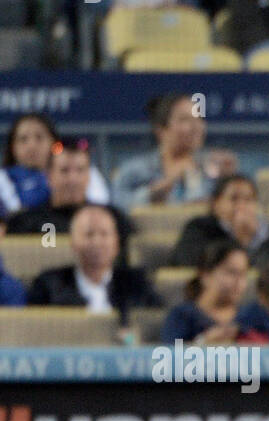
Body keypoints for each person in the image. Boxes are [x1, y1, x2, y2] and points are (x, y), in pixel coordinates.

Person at [26, 206, 162, 321]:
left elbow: (153, 320)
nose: (97, 243)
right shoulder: (49, 285)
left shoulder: (136, 283)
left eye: (104, 234)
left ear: (116, 243)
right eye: (89, 234)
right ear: (73, 242)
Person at [112, 93, 239, 209]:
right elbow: (117, 207)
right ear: (161, 129)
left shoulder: (213, 170)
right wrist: (158, 190)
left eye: (199, 118)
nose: (196, 126)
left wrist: (230, 181)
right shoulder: (135, 170)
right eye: (185, 120)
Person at [4, 138, 134, 249]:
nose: (73, 179)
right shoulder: (25, 222)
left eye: (80, 170)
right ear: (49, 176)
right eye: (64, 170)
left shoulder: (113, 219)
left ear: (89, 176)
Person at [169, 174, 269, 272]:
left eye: (248, 200)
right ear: (216, 203)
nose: (242, 206)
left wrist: (249, 240)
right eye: (234, 199)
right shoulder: (199, 228)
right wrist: (238, 240)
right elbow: (189, 263)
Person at [1, 113, 111, 215]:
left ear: (54, 141)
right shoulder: (3, 178)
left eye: (39, 137)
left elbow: (100, 209)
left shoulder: (89, 172)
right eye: (23, 139)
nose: (32, 146)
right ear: (12, 146)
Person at [158, 238, 255, 344]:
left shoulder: (251, 316)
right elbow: (169, 355)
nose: (239, 282)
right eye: (231, 272)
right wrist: (203, 342)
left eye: (243, 275)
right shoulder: (182, 316)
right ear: (205, 275)